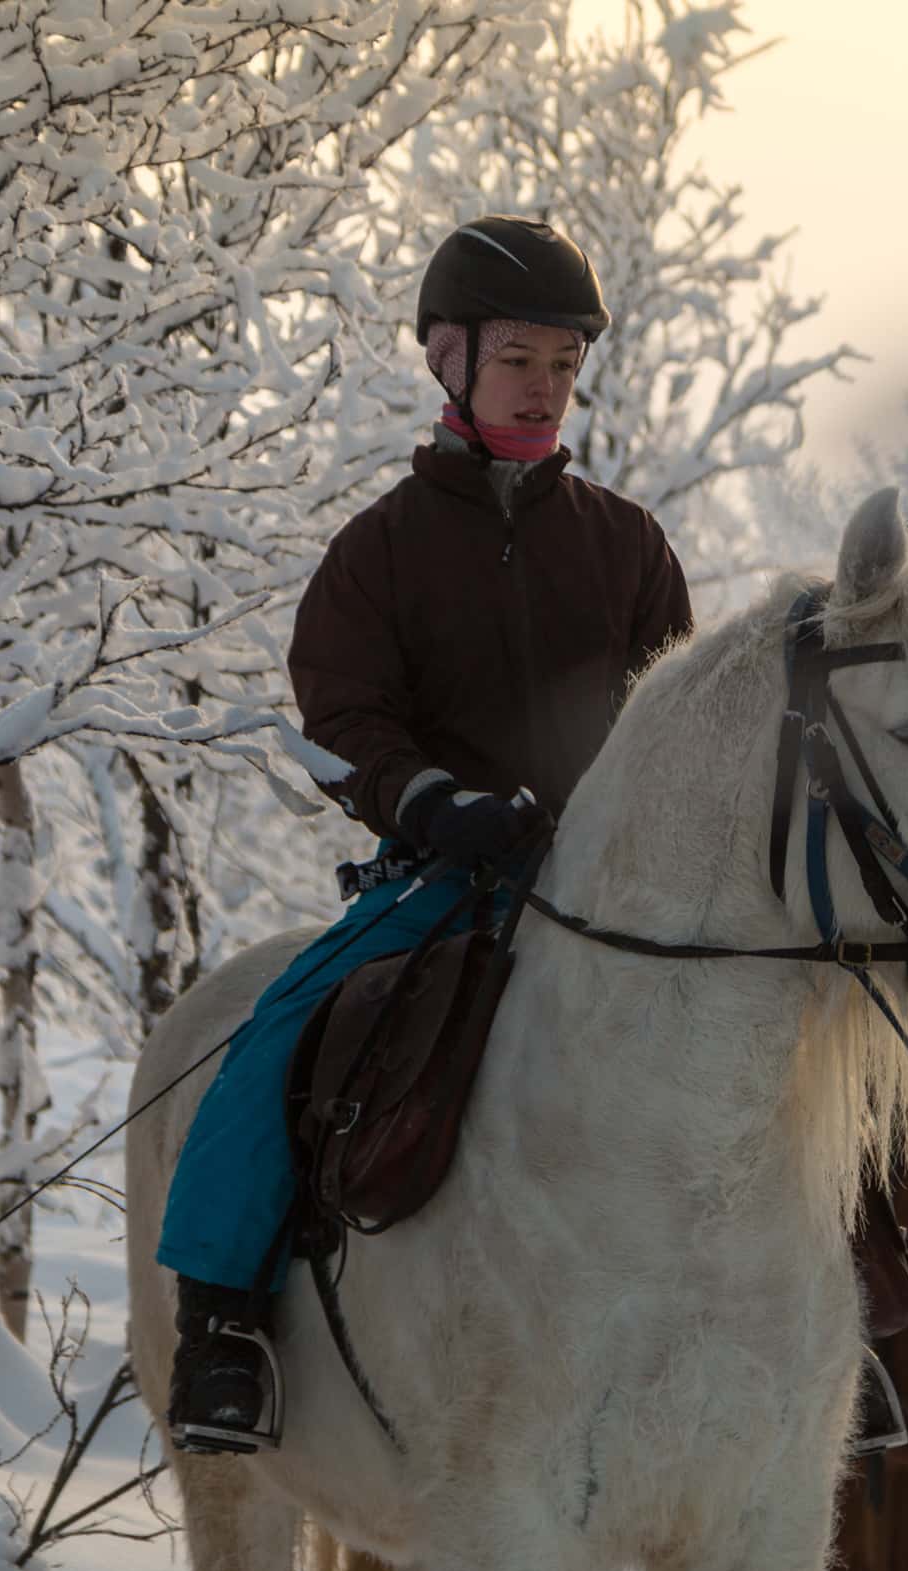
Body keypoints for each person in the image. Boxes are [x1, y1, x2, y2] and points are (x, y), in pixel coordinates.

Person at [152, 215, 694, 1455]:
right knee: (274, 1036)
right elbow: (343, 714)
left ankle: (852, 1326)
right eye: (519, 361)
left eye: (563, 365)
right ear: (449, 360)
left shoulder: (627, 545)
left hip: (608, 882)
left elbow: (666, 719)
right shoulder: (378, 552)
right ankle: (222, 1324)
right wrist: (432, 800)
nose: (545, 388)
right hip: (446, 876)